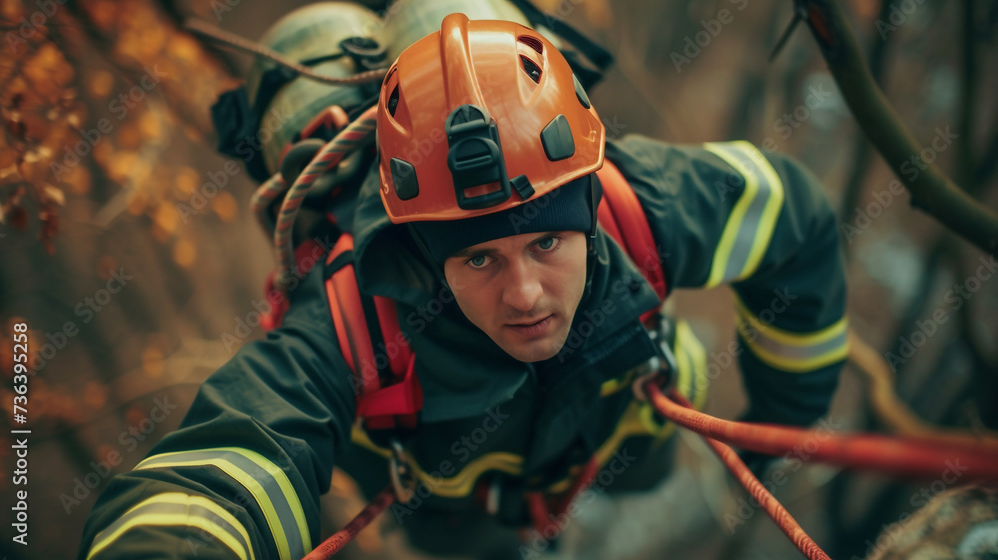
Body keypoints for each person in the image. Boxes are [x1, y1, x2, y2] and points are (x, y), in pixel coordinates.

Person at [78, 13, 848, 560]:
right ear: (422, 255)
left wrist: (788, 417)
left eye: (548, 241)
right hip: (458, 520)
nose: (525, 295)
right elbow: (226, 463)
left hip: (627, 440)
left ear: (585, 208)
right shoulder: (357, 315)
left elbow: (798, 219)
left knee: (642, 475)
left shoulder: (641, 204)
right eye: (478, 259)